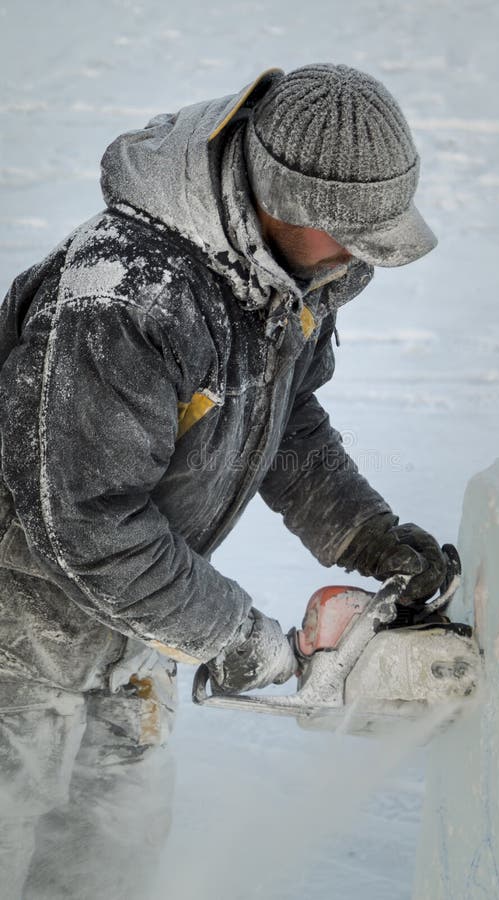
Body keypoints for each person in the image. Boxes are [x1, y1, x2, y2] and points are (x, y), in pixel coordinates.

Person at [0, 63, 456, 898]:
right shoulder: (129, 296)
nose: (361, 255)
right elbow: (90, 524)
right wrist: (230, 633)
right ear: (285, 203)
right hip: (16, 631)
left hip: (136, 625)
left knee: (104, 866)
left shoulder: (289, 278)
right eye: (350, 230)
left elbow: (283, 420)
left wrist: (365, 532)